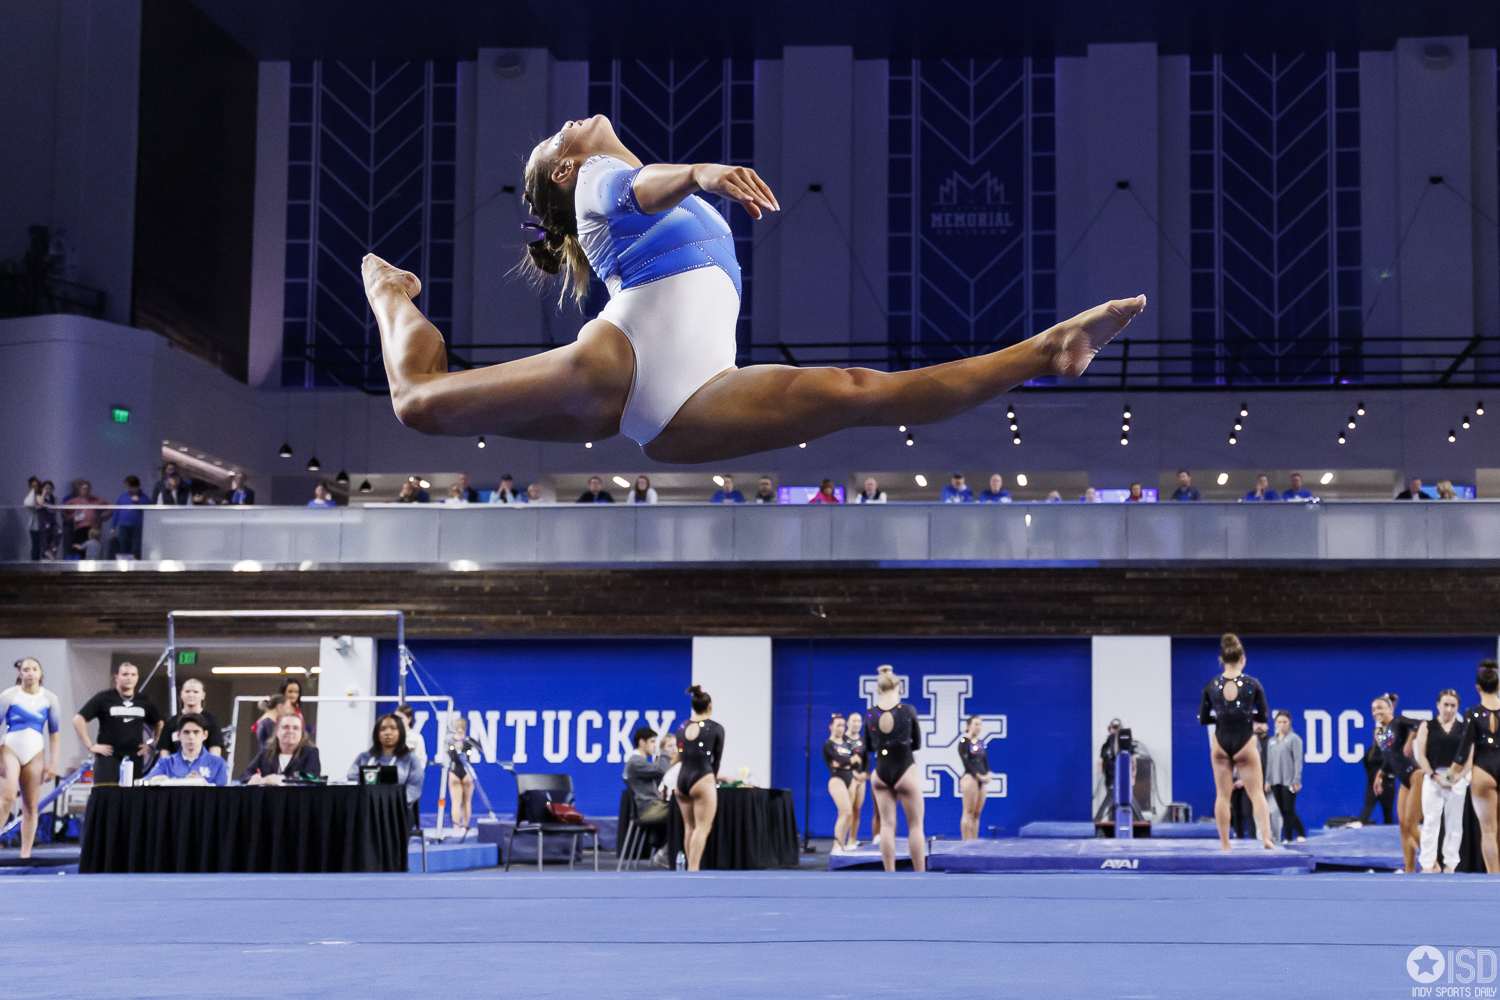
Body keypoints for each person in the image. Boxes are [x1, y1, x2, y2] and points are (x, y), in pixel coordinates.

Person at [360, 114, 1144, 465]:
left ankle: (1048, 350)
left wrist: (693, 180)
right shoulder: (597, 183)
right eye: (556, 137)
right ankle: (389, 289)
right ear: (566, 169)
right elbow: (641, 189)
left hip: (684, 407)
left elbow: (649, 189)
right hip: (622, 366)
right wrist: (699, 171)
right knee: (420, 404)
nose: (569, 122)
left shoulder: (615, 180)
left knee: (856, 389)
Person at [1198, 633, 1274, 850]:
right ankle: (1267, 838)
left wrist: (1222, 716)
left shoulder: (1211, 685)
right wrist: (1245, 716)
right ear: (1243, 659)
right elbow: (1264, 717)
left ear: (1221, 660)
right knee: (1257, 793)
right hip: (1245, 742)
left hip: (1220, 742)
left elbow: (1203, 718)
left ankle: (1225, 844)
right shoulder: (1253, 684)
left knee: (1222, 795)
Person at [866, 665, 925, 872]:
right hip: (905, 771)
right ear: (899, 688)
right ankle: (920, 874)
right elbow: (916, 743)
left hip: (880, 773)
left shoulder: (871, 714)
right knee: (915, 825)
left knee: (887, 826)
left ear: (879, 690)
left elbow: (869, 746)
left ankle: (889, 874)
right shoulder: (908, 711)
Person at [0, 658, 62, 857]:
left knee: (31, 805)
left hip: (35, 752)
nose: (30, 673)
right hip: (10, 748)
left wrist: (53, 762)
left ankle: (25, 853)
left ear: (41, 672)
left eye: (34, 669)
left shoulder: (50, 699)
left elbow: (54, 733)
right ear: (19, 673)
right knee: (8, 797)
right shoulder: (9, 695)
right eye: (25, 669)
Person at [73, 661, 162, 785]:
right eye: (125, 674)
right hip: (108, 756)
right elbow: (78, 719)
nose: (129, 678)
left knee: (132, 797)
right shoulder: (103, 697)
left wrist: (153, 745)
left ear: (137, 677)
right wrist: (90, 746)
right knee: (106, 795)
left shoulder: (144, 701)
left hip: (134, 756)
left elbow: (159, 723)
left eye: (133, 674)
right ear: (116, 677)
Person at [1450, 661, 1500, 873]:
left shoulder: (1472, 713)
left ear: (1477, 688)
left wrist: (1452, 773)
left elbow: (1464, 748)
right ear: (1498, 686)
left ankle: (1494, 879)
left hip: (1483, 770)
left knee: (1488, 831)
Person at [1370, 693, 1424, 873]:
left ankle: (1434, 859)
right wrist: (1380, 774)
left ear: (1391, 709)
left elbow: (1420, 724)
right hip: (1404, 782)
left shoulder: (1398, 722)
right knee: (1403, 827)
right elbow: (1389, 758)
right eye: (1373, 709)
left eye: (1380, 707)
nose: (1376, 712)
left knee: (1411, 824)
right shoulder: (1381, 734)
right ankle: (1409, 870)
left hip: (1416, 776)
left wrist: (1410, 739)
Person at [1414, 689, 1466, 873]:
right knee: (1430, 821)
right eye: (1446, 704)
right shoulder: (1427, 726)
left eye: (1453, 705)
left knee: (1454, 824)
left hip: (1456, 780)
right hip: (1433, 778)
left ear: (1457, 707)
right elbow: (1421, 756)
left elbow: (1468, 757)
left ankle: (1450, 863)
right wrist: (1435, 777)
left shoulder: (1464, 728)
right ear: (1438, 705)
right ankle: (1427, 863)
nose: (1449, 709)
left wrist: (1452, 778)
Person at [674, 685, 724, 871]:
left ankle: (689, 868)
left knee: (689, 827)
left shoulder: (681, 727)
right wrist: (712, 779)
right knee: (702, 828)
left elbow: (680, 754)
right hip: (702, 778)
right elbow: (716, 760)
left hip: (682, 779)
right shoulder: (716, 728)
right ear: (709, 706)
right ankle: (693, 869)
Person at [349, 713, 425, 825]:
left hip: (398, 811)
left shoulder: (411, 759)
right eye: (383, 729)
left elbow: (414, 787)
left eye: (393, 729)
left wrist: (392, 803)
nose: (387, 733)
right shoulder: (364, 757)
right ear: (376, 733)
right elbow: (352, 779)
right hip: (367, 808)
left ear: (401, 732)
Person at [143, 715, 228, 786]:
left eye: (196, 732)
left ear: (205, 735)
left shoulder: (219, 764)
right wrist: (153, 781)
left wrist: (203, 784)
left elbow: (223, 797)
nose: (191, 737)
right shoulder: (165, 763)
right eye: (186, 732)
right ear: (179, 735)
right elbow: (142, 783)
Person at [1263, 710, 1305, 843]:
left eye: (1285, 722)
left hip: (1289, 781)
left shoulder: (1295, 739)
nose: (1282, 725)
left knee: (1289, 809)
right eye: (1279, 722)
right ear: (1275, 724)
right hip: (1275, 781)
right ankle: (1299, 832)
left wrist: (1296, 780)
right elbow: (1270, 762)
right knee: (1282, 810)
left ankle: (1288, 837)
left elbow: (1298, 761)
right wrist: (1267, 780)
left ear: (1289, 723)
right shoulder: (1272, 741)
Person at [243, 713, 321, 783]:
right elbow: (246, 774)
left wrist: (280, 779)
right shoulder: (265, 753)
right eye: (286, 727)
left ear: (301, 733)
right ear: (277, 732)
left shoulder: (311, 753)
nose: (290, 731)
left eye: (296, 728)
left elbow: (312, 778)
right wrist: (253, 777)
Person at [157, 677, 225, 758]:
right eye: (187, 691)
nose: (191, 695)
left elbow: (215, 750)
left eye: (196, 692)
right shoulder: (170, 723)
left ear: (203, 695)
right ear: (181, 694)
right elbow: (164, 750)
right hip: (176, 769)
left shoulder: (212, 721)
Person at [443, 716, 481, 837]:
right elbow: (479, 747)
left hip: (455, 771)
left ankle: (456, 828)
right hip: (465, 772)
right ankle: (464, 826)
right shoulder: (467, 740)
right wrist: (466, 741)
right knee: (466, 802)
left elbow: (448, 752)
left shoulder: (451, 740)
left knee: (456, 802)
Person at [823, 714, 855, 853]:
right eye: (838, 726)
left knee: (848, 814)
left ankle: (842, 844)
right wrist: (848, 760)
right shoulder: (828, 744)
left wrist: (847, 761)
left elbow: (854, 757)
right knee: (845, 811)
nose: (841, 729)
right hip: (837, 779)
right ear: (831, 727)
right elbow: (841, 760)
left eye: (843, 726)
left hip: (850, 779)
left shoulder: (846, 742)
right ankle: (836, 845)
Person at [957, 715, 993, 840]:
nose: (979, 727)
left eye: (980, 724)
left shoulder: (980, 743)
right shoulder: (963, 742)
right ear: (968, 726)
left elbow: (984, 761)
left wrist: (988, 773)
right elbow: (967, 763)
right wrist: (978, 776)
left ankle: (974, 841)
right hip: (971, 778)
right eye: (976, 724)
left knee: (977, 814)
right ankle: (965, 842)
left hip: (981, 779)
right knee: (968, 812)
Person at [623, 726, 669, 817]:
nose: (655, 745)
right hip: (649, 810)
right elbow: (662, 769)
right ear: (641, 743)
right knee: (680, 810)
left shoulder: (639, 762)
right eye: (652, 741)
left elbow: (658, 776)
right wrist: (663, 752)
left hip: (652, 807)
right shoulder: (635, 762)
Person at [62, 480, 107, 558]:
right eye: (84, 489)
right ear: (79, 490)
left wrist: (103, 518)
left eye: (87, 489)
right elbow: (63, 510)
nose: (86, 491)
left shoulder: (97, 500)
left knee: (94, 549)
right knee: (80, 549)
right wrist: (69, 517)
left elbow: (109, 508)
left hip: (93, 530)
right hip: (80, 530)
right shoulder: (74, 501)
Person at [108, 476, 148, 558]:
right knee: (123, 547)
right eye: (127, 486)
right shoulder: (123, 497)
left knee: (135, 548)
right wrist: (113, 526)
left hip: (137, 527)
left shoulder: (144, 498)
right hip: (123, 526)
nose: (128, 488)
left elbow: (149, 510)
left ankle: (134, 568)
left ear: (136, 486)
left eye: (130, 486)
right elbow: (116, 511)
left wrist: (138, 502)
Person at [845, 711, 868, 847]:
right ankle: (842, 840)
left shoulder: (863, 740)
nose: (856, 724)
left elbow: (866, 759)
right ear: (848, 723)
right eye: (854, 721)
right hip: (849, 778)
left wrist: (864, 773)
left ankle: (852, 839)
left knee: (857, 810)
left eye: (859, 721)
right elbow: (843, 759)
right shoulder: (843, 740)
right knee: (847, 810)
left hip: (861, 779)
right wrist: (854, 773)